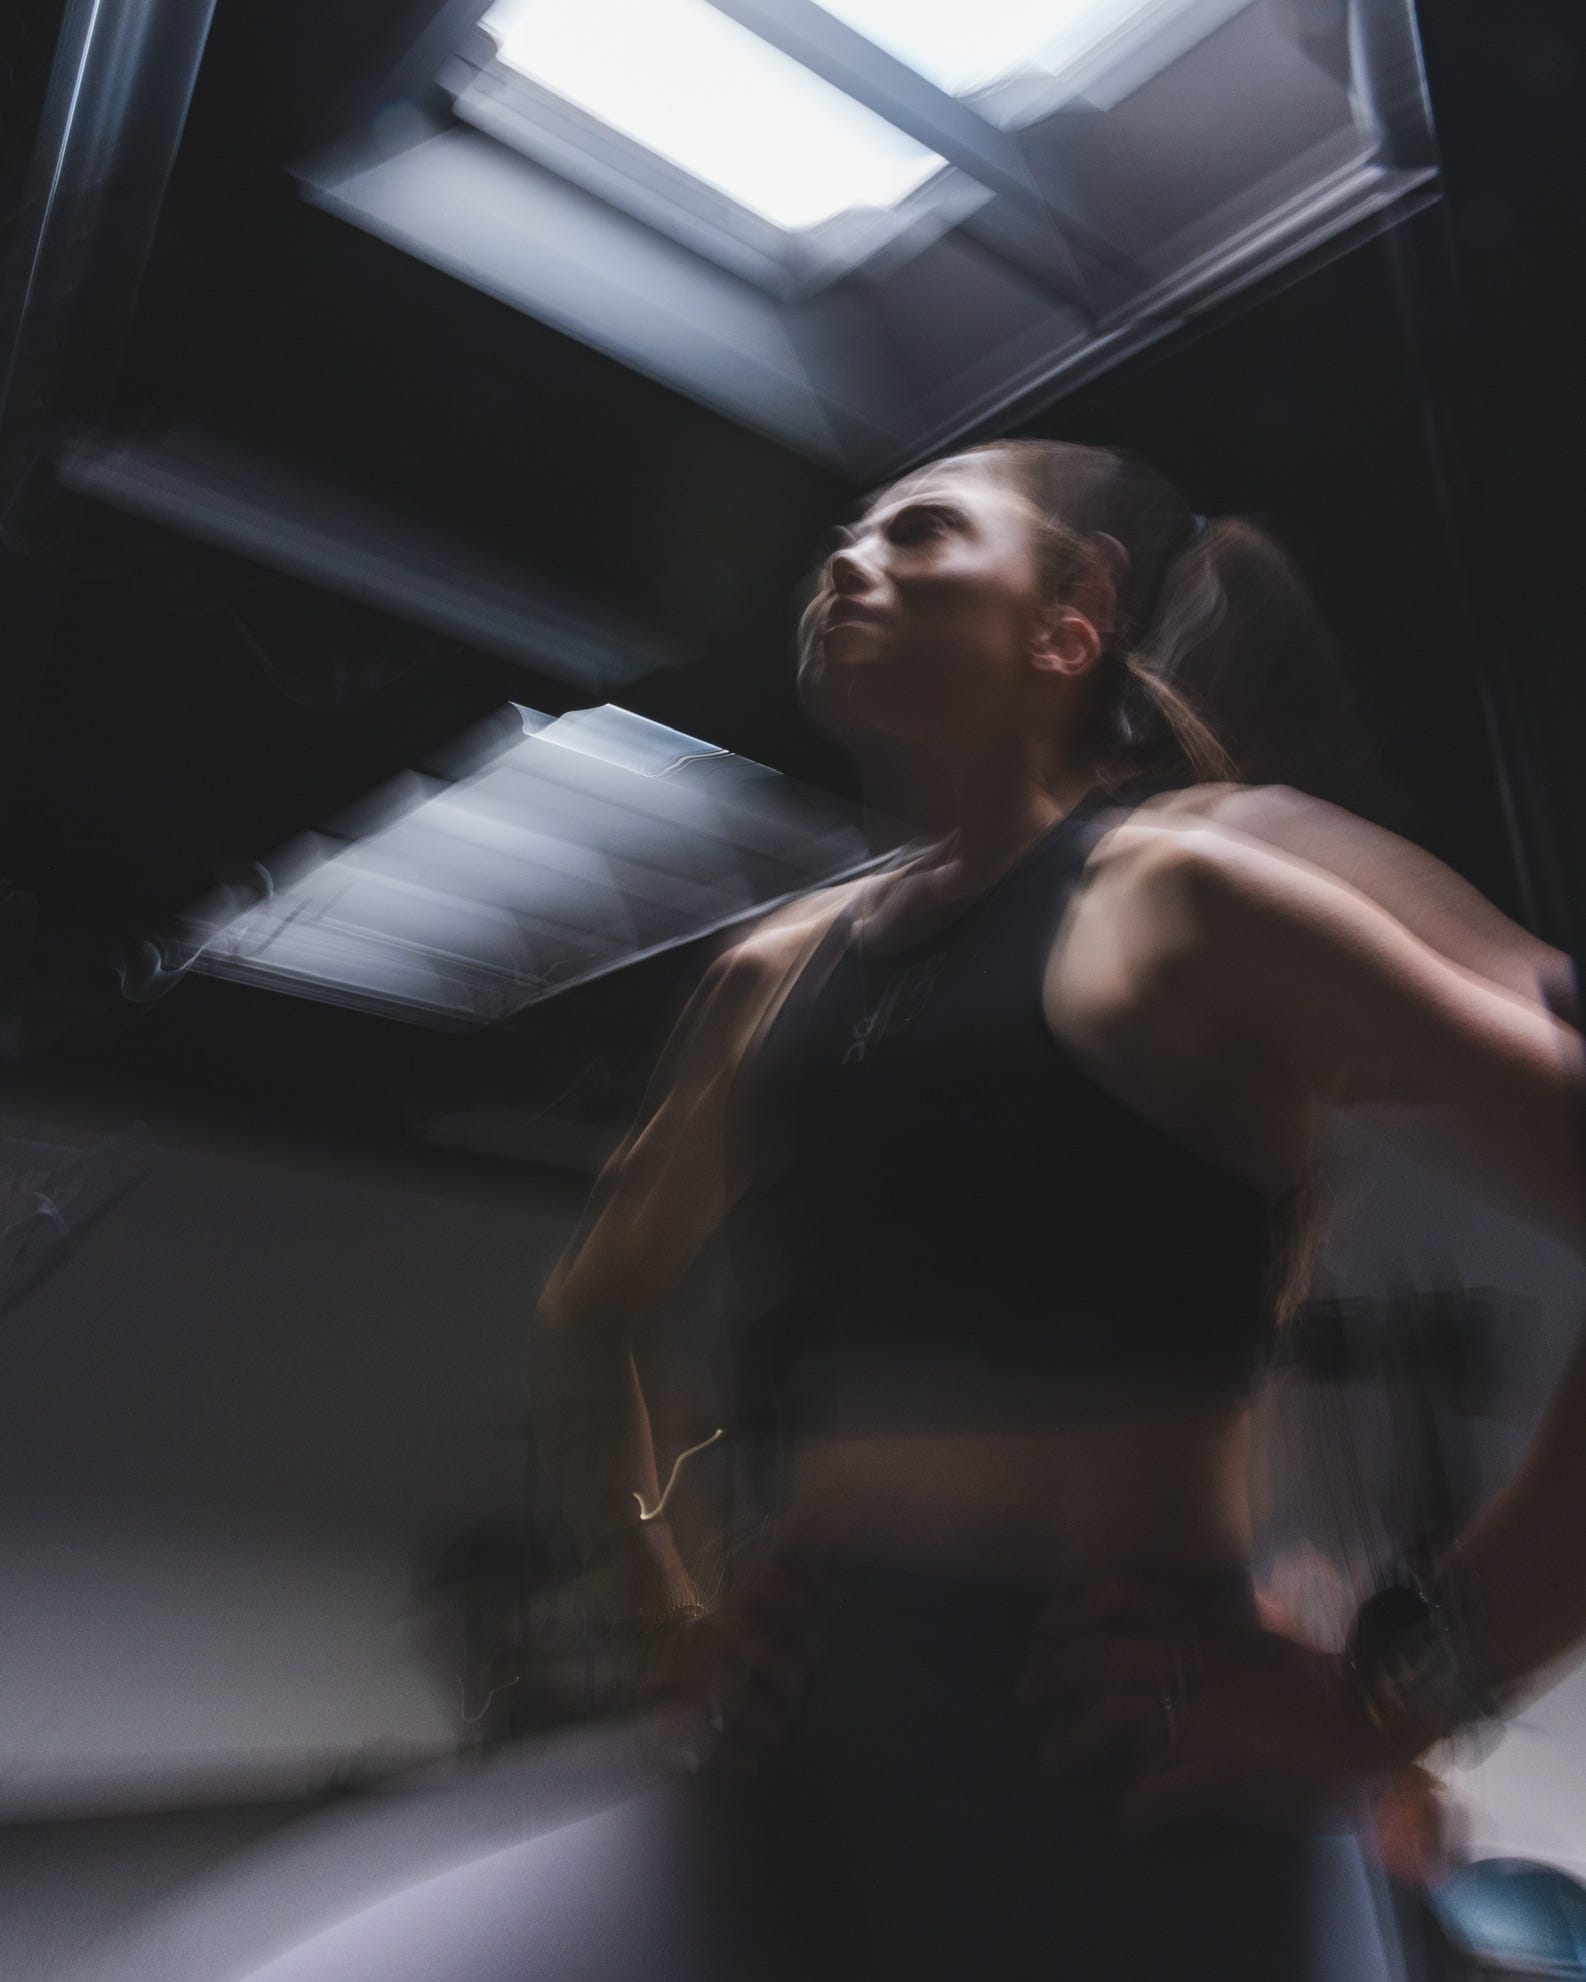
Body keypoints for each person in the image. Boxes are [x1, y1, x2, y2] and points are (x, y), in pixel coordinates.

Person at [518, 438, 1586, 1981]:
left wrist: (1412, 1683)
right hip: (817, 1772)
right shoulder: (763, 982)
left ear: (1067, 615)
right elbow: (590, 1309)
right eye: (841, 539)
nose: (845, 561)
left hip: (1138, 1778)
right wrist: (662, 1623)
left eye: (918, 531)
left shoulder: (1185, 896)